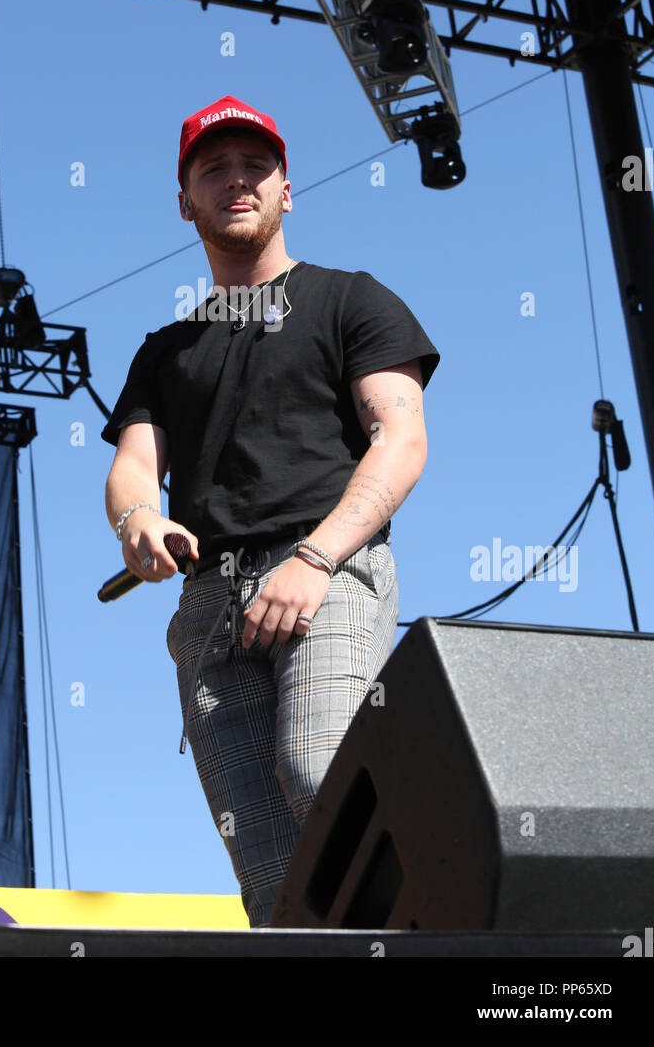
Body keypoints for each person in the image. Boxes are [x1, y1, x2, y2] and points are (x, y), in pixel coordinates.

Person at [102, 93, 440, 927]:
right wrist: (138, 520)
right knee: (273, 881)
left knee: (319, 770)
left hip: (325, 572)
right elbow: (133, 467)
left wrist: (316, 560)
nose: (237, 180)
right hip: (210, 607)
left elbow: (400, 441)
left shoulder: (351, 299)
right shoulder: (163, 352)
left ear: (289, 188)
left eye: (256, 164)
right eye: (213, 168)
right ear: (186, 203)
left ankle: (464, 953)